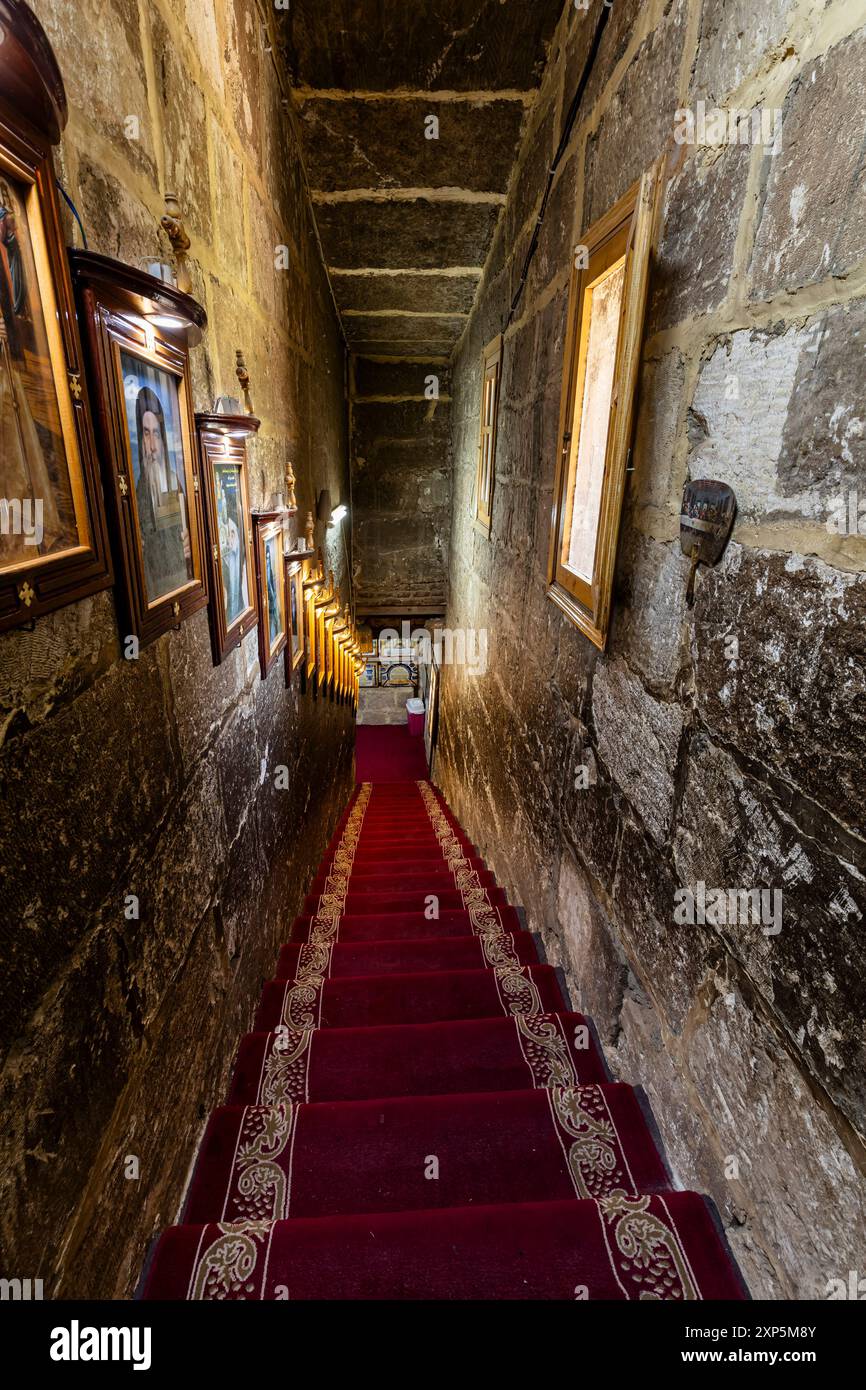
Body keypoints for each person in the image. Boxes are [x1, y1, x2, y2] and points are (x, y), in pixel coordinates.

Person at [133, 384, 192, 602]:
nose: (152, 446)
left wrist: (190, 541)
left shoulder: (174, 482)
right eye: (146, 434)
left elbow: (190, 534)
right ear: (140, 439)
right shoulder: (134, 493)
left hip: (180, 584)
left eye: (156, 434)